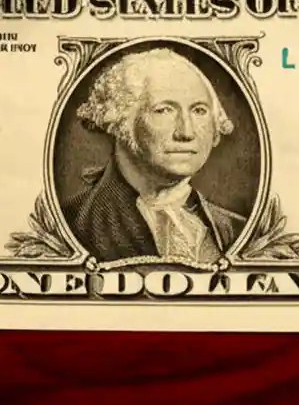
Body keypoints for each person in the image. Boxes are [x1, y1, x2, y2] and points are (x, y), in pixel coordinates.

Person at [63, 47, 246, 262]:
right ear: (121, 121)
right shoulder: (72, 225)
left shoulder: (236, 229)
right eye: (164, 110)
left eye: (199, 110)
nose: (186, 132)